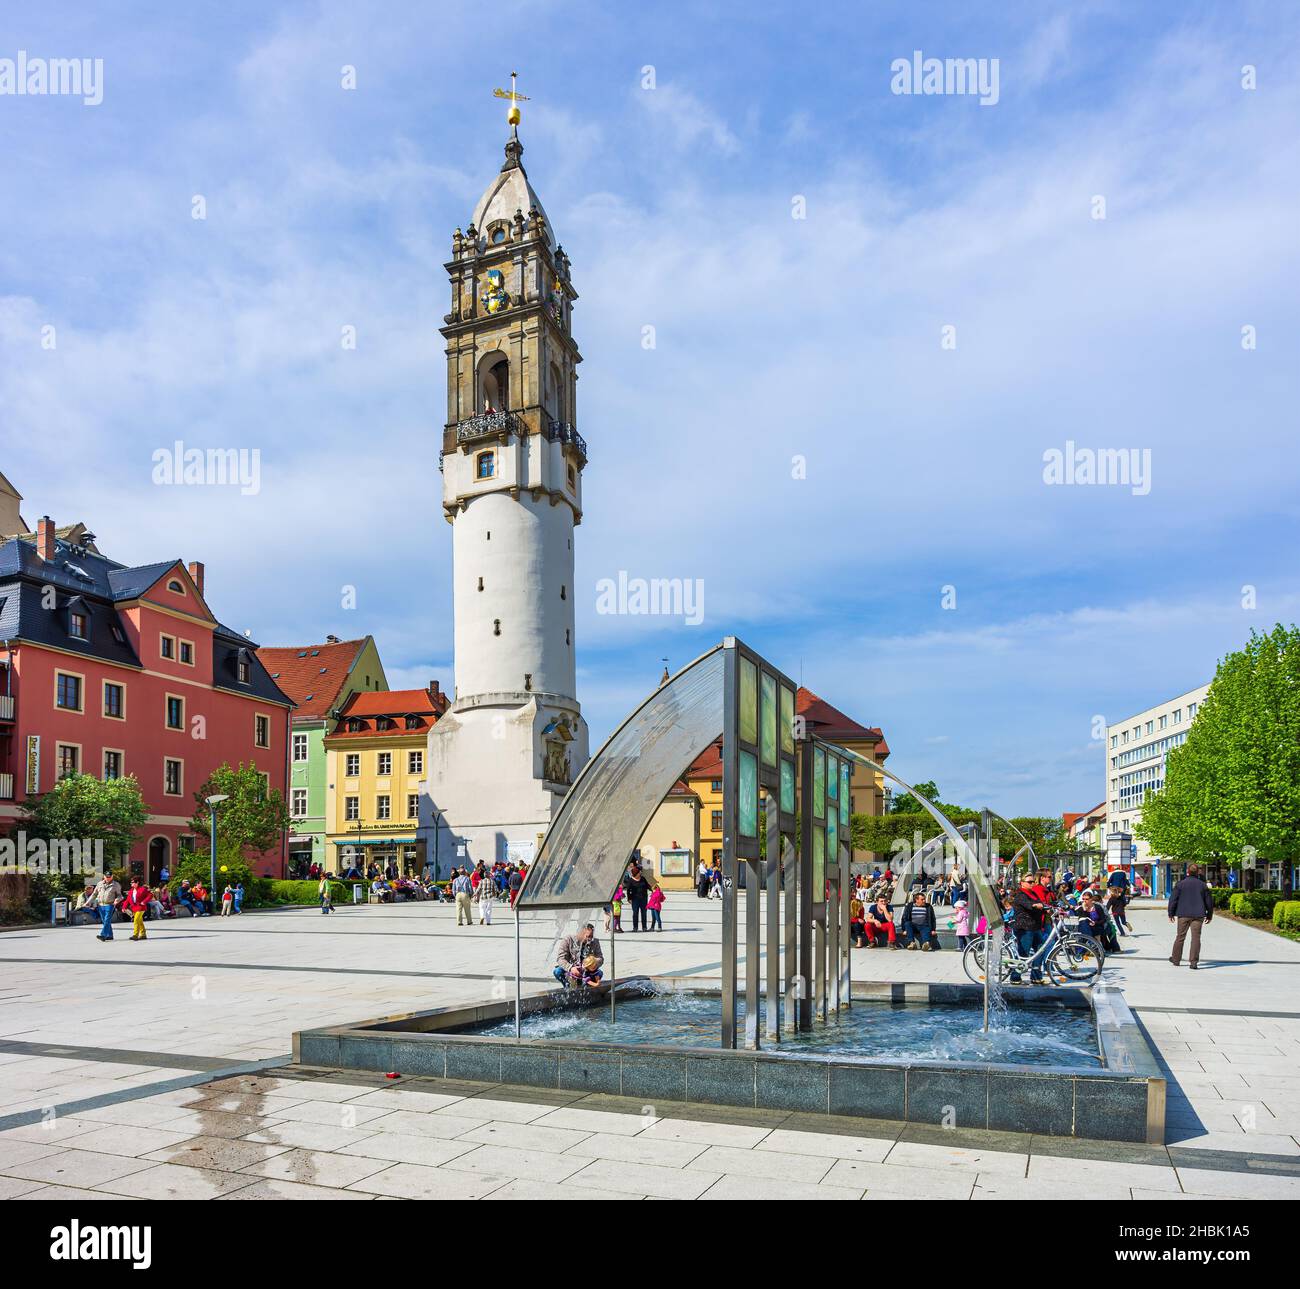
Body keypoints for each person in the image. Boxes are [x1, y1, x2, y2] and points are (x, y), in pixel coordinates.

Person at [1168, 863, 1213, 969]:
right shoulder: (1203, 885)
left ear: (1187, 872)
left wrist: (1171, 913)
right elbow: (1209, 901)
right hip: (1199, 914)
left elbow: (1173, 900)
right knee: (1196, 938)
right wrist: (1209, 915)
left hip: (1183, 914)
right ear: (1198, 872)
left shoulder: (1180, 884)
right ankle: (1193, 962)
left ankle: (1176, 959)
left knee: (1180, 937)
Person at [1010, 877, 1049, 983]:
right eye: (1029, 882)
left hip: (1035, 927)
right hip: (1025, 928)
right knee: (1024, 953)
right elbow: (1028, 905)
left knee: (1041, 949)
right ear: (1022, 883)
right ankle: (1015, 977)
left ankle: (1036, 976)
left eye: (1033, 882)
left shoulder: (1033, 894)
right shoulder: (1020, 895)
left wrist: (1047, 907)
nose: (1032, 884)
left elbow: (1041, 903)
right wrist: (1035, 905)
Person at [553, 923, 604, 988]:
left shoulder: (595, 942)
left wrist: (593, 963)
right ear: (581, 934)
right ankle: (568, 987)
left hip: (587, 970)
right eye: (588, 936)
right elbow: (560, 958)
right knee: (557, 971)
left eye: (592, 936)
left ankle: (588, 988)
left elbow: (600, 958)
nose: (590, 939)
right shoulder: (568, 939)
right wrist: (570, 968)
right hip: (571, 972)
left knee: (599, 973)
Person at [93, 872, 122, 941]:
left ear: (112, 877)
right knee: (105, 921)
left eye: (109, 877)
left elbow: (119, 895)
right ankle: (110, 935)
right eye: (107, 877)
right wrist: (88, 902)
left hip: (110, 904)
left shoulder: (116, 884)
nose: (108, 878)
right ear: (104, 876)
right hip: (100, 905)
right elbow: (94, 894)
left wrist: (117, 900)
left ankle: (103, 935)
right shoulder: (99, 884)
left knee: (106, 920)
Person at [624, 862, 651, 932]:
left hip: (644, 899)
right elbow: (628, 890)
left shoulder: (643, 879)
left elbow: (648, 885)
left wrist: (653, 890)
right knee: (635, 913)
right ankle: (635, 927)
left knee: (644, 913)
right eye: (639, 872)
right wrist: (629, 898)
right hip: (635, 899)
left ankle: (644, 927)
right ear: (636, 874)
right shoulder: (631, 881)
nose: (640, 873)